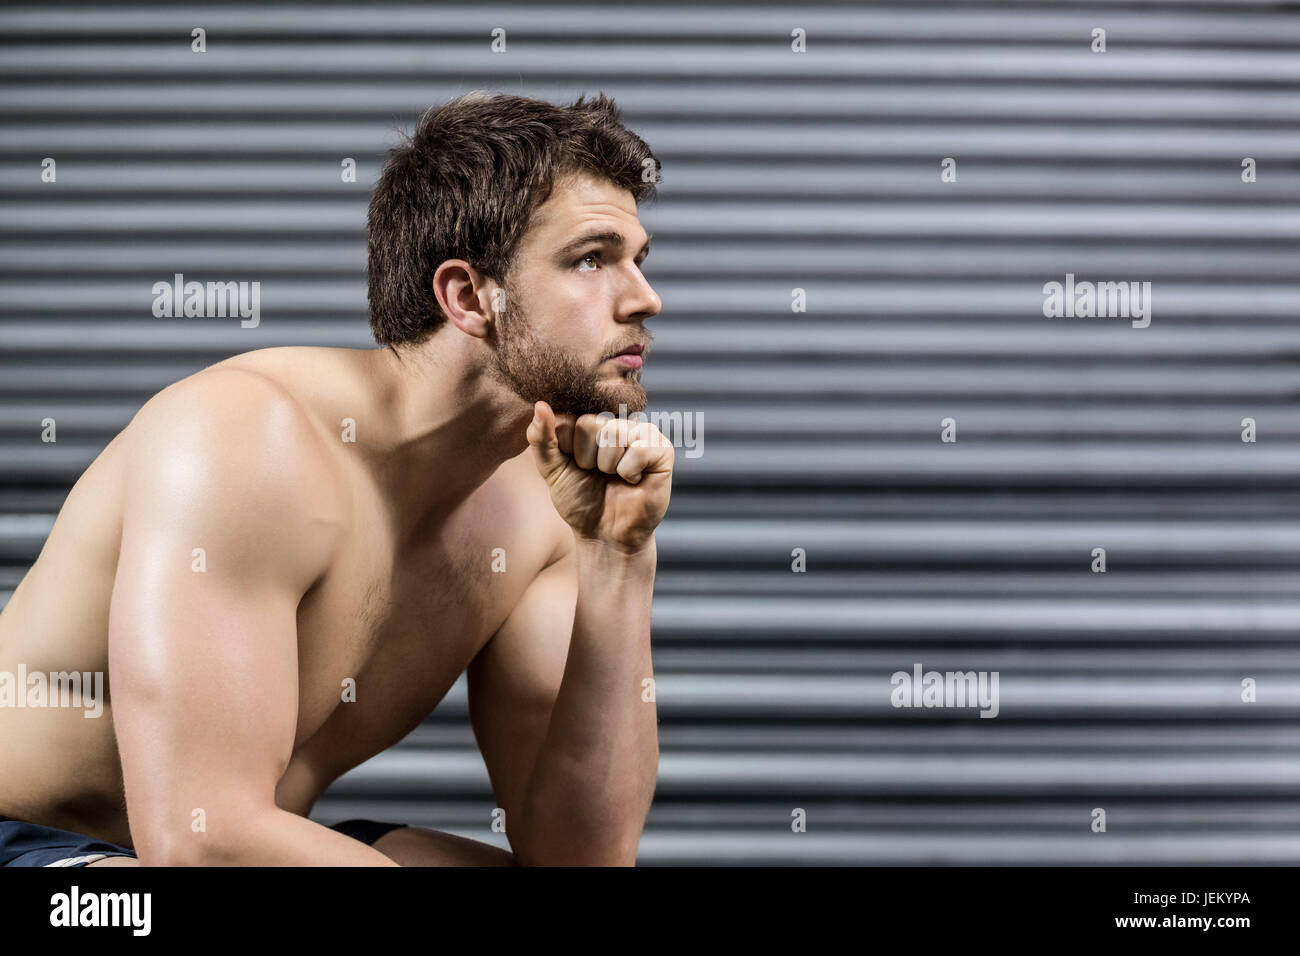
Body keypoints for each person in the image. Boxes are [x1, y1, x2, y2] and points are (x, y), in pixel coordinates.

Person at [0, 90, 670, 866]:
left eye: (638, 261)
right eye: (592, 259)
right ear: (466, 297)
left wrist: (619, 558)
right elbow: (199, 840)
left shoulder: (543, 511)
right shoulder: (246, 437)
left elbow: (581, 856)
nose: (645, 298)